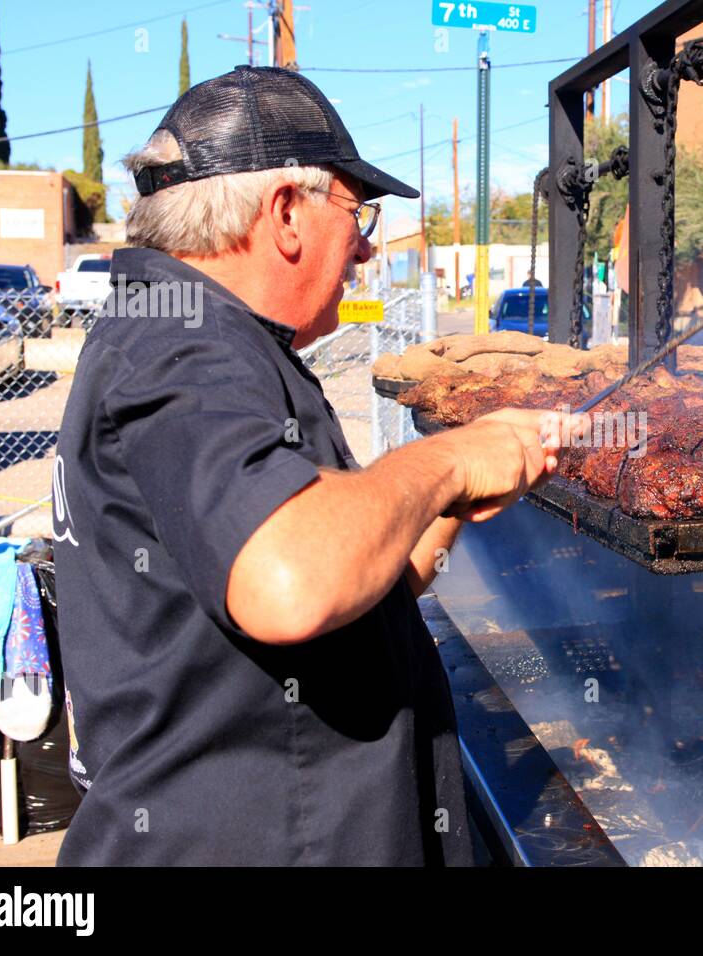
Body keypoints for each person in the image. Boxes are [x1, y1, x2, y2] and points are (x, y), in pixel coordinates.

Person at [51, 66, 587, 865]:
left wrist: (458, 497)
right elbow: (291, 582)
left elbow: (352, 581)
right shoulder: (182, 344)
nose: (368, 243)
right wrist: (446, 459)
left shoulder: (210, 338)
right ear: (286, 214)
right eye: (355, 211)